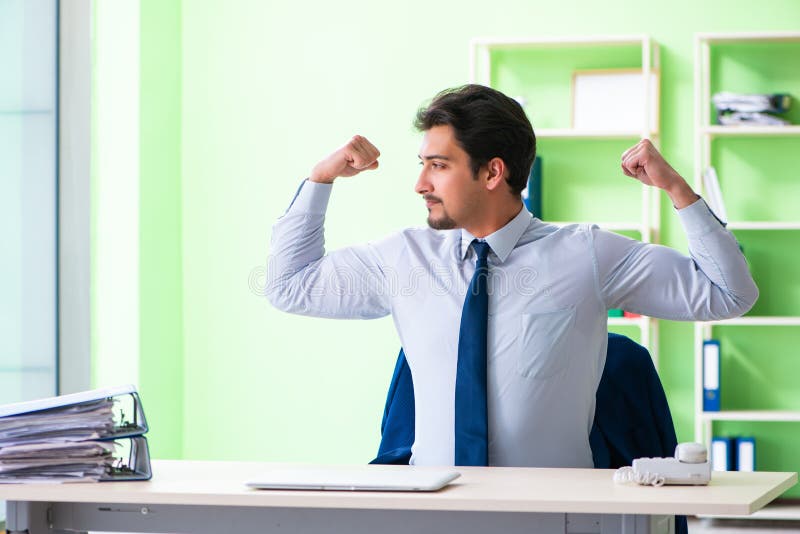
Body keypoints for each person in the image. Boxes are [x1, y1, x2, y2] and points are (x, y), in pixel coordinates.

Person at [266, 84, 758, 469]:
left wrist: (677, 189)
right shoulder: (404, 259)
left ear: (492, 172)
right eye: (423, 165)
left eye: (438, 166)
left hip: (553, 515)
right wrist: (320, 179)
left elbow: (729, 294)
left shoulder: (587, 253)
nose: (421, 184)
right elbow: (290, 286)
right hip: (434, 514)